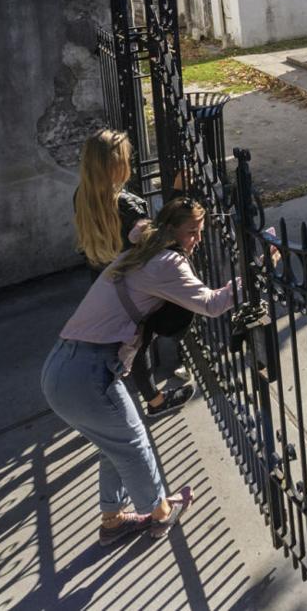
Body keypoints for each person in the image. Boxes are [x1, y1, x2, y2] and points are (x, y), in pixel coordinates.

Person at [42, 196, 235, 545]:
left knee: (115, 444)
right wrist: (256, 269)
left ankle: (113, 521)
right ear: (173, 231)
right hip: (89, 372)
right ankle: (160, 512)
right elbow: (211, 304)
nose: (197, 239)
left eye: (200, 231)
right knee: (133, 443)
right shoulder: (165, 263)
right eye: (192, 232)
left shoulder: (140, 252)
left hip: (60, 367)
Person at [72, 129, 193, 417]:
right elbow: (159, 239)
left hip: (103, 277)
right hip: (132, 287)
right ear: (116, 165)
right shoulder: (126, 204)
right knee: (138, 342)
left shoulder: (83, 196)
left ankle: (145, 396)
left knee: (121, 341)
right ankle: (155, 401)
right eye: (126, 158)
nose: (131, 163)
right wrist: (177, 194)